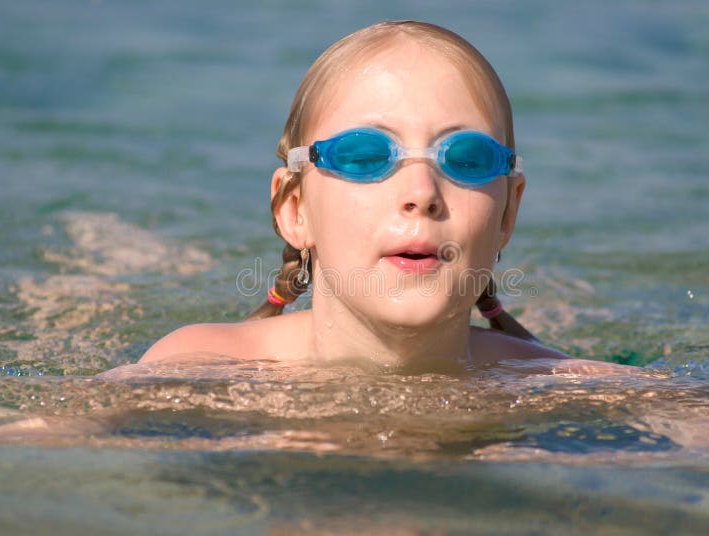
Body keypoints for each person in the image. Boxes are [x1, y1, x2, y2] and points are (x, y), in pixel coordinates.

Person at [138, 20, 620, 372]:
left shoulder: (562, 388)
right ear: (294, 209)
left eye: (466, 159)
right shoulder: (197, 370)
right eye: (366, 155)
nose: (422, 193)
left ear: (508, 214)